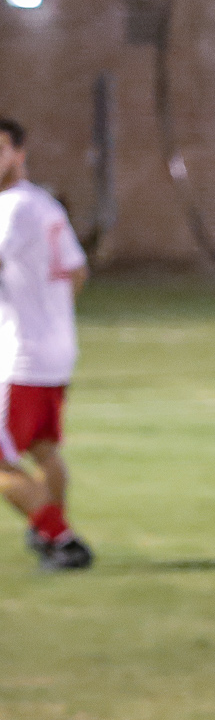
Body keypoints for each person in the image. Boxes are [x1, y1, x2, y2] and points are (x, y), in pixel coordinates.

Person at [0, 120, 92, 571]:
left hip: (20, 357)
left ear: (19, 152)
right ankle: (49, 533)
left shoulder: (10, 209)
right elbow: (77, 271)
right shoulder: (46, 204)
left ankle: (62, 540)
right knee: (41, 447)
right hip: (55, 350)